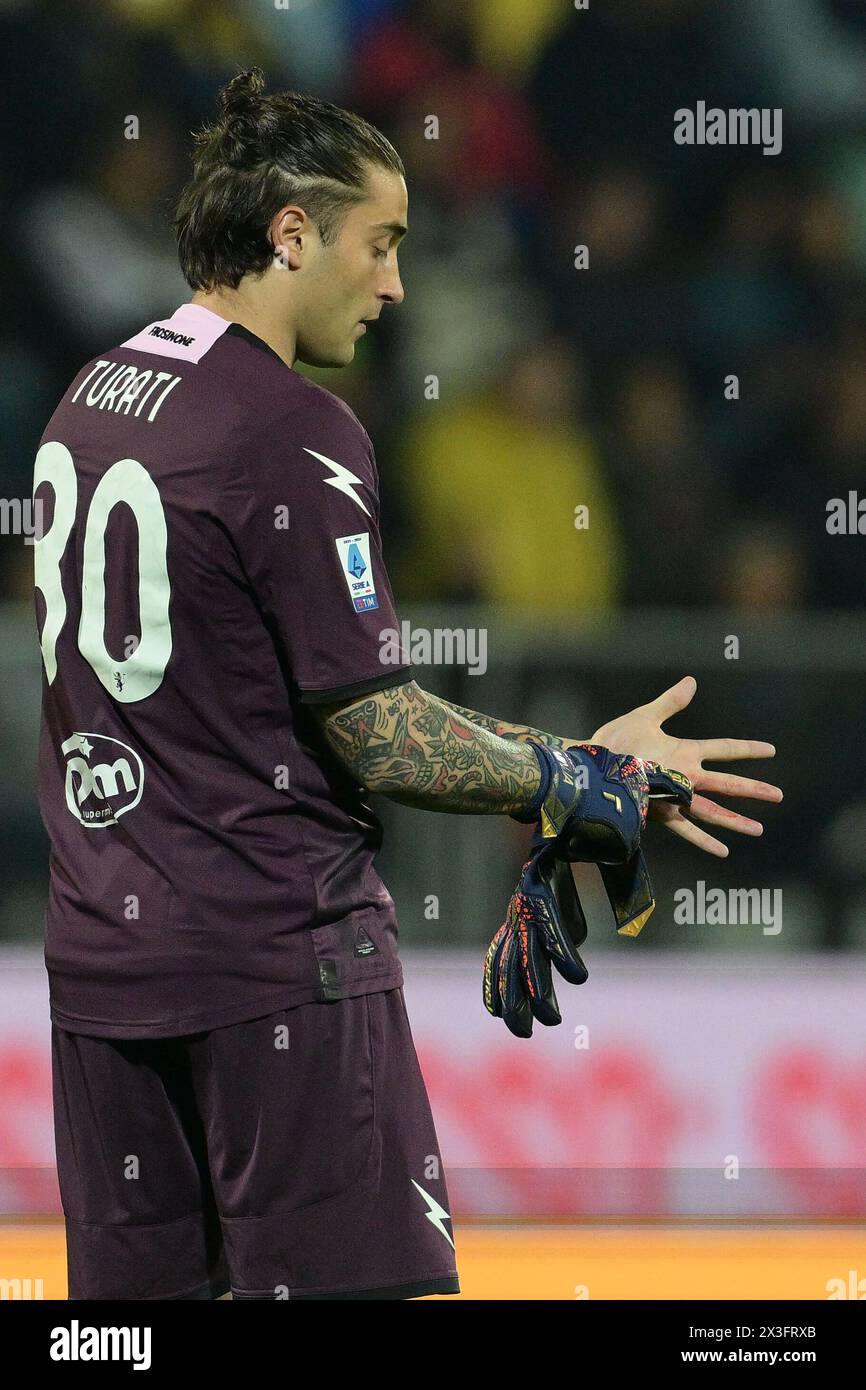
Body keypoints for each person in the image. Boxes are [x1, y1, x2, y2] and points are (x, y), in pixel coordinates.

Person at [32, 67, 781, 1301]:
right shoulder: (291, 425)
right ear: (290, 234)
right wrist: (578, 776)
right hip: (276, 969)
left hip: (105, 977)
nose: (393, 286)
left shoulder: (88, 401)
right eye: (379, 245)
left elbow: (258, 701)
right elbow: (377, 730)